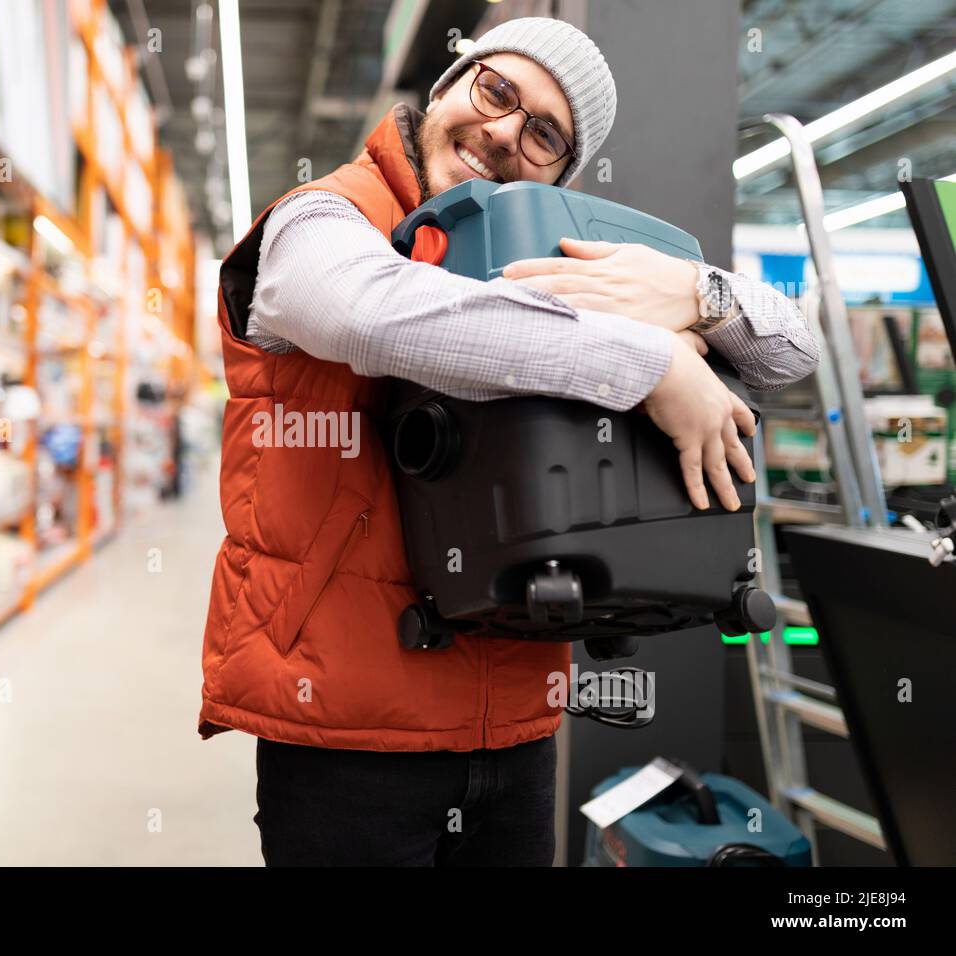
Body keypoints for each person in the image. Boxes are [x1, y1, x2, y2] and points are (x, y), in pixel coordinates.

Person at [198, 17, 819, 866]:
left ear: (559, 172)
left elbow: (793, 350)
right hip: (348, 745)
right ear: (447, 85)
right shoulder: (321, 219)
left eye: (543, 135)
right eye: (496, 91)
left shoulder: (550, 252)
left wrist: (692, 291)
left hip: (517, 731)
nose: (502, 134)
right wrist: (653, 362)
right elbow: (368, 313)